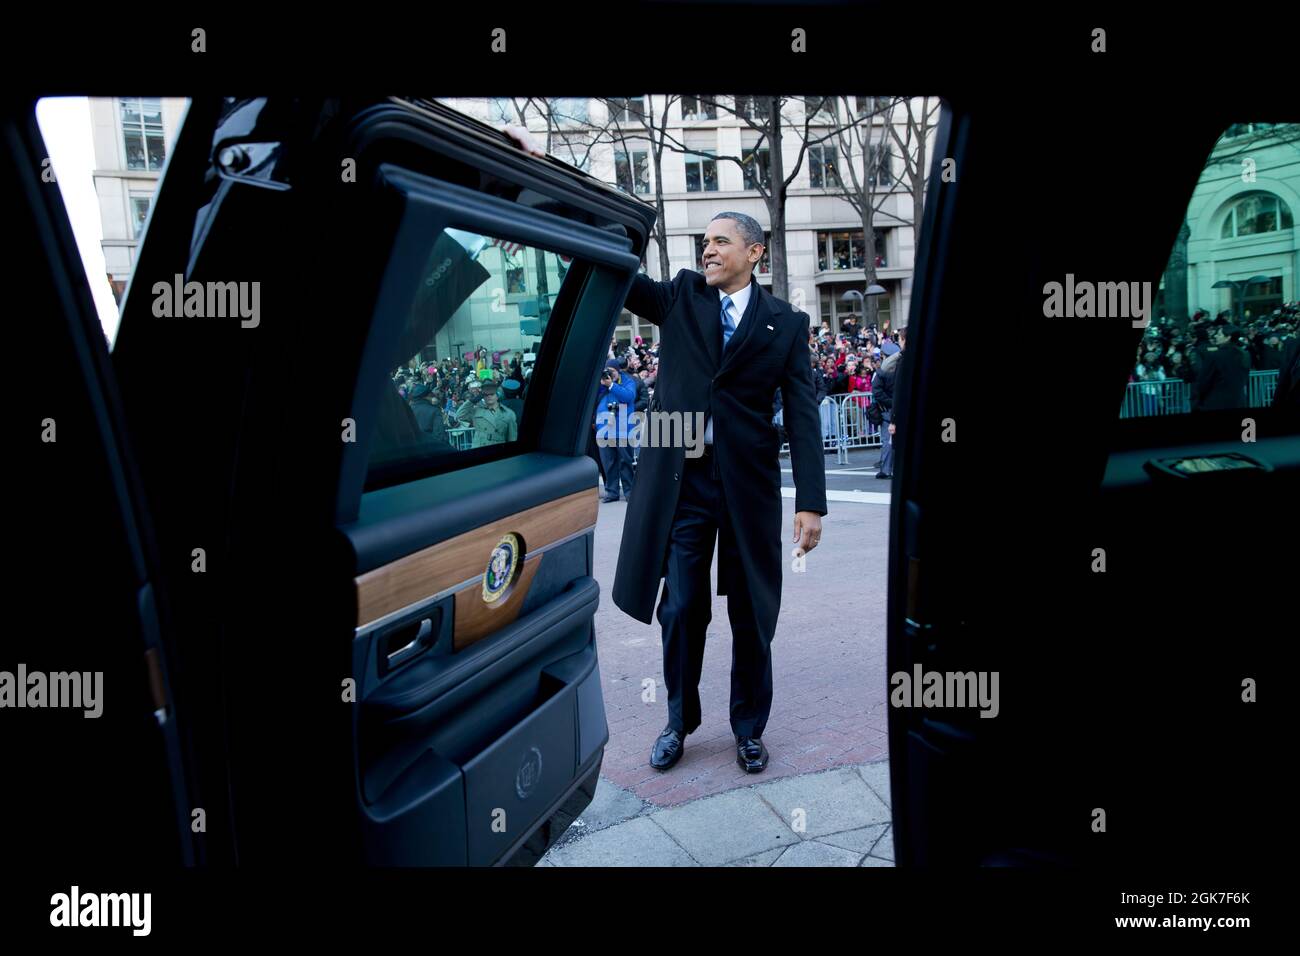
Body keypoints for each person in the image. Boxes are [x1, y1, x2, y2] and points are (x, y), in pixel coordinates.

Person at [612, 211, 826, 775]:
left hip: (747, 486)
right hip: (683, 482)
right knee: (681, 607)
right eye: (704, 242)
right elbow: (621, 278)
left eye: (720, 242)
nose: (707, 250)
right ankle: (678, 721)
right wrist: (580, 217)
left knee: (753, 612)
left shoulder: (787, 320)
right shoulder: (681, 294)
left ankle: (749, 729)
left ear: (754, 253)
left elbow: (803, 415)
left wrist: (811, 502)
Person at [594, 359, 637, 502]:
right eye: (606, 371)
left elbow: (628, 397)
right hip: (604, 430)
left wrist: (611, 385)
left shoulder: (628, 382)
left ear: (618, 371)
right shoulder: (600, 384)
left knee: (626, 461)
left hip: (623, 429)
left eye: (611, 372)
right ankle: (612, 492)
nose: (608, 374)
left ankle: (629, 491)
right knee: (609, 462)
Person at [872, 326, 906, 478]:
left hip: (890, 409)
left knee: (888, 440)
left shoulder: (885, 371)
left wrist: (891, 403)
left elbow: (878, 392)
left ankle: (886, 469)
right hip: (896, 407)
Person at [455, 380, 518, 448]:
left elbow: (512, 437)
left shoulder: (508, 413)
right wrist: (472, 401)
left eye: (492, 393)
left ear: (497, 395)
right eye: (486, 394)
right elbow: (459, 415)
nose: (489, 396)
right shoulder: (477, 411)